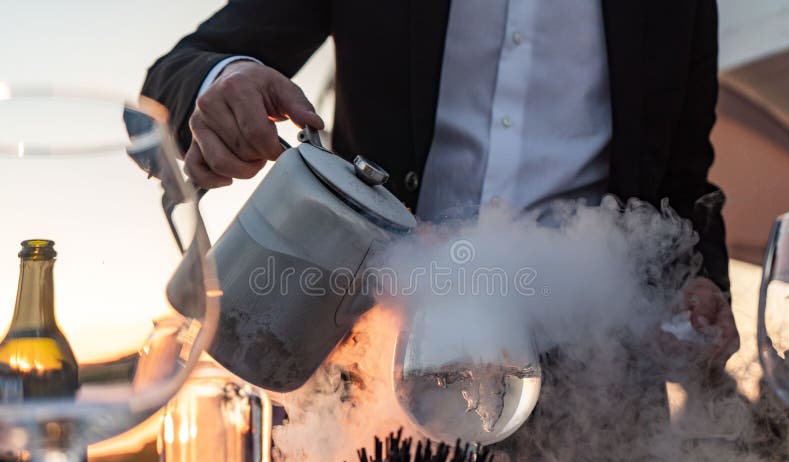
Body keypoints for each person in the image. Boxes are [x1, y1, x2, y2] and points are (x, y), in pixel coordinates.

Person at [142, 0, 737, 376]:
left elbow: (686, 186)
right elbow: (178, 70)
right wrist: (223, 83)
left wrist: (703, 277)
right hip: (372, 360)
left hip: (599, 383)